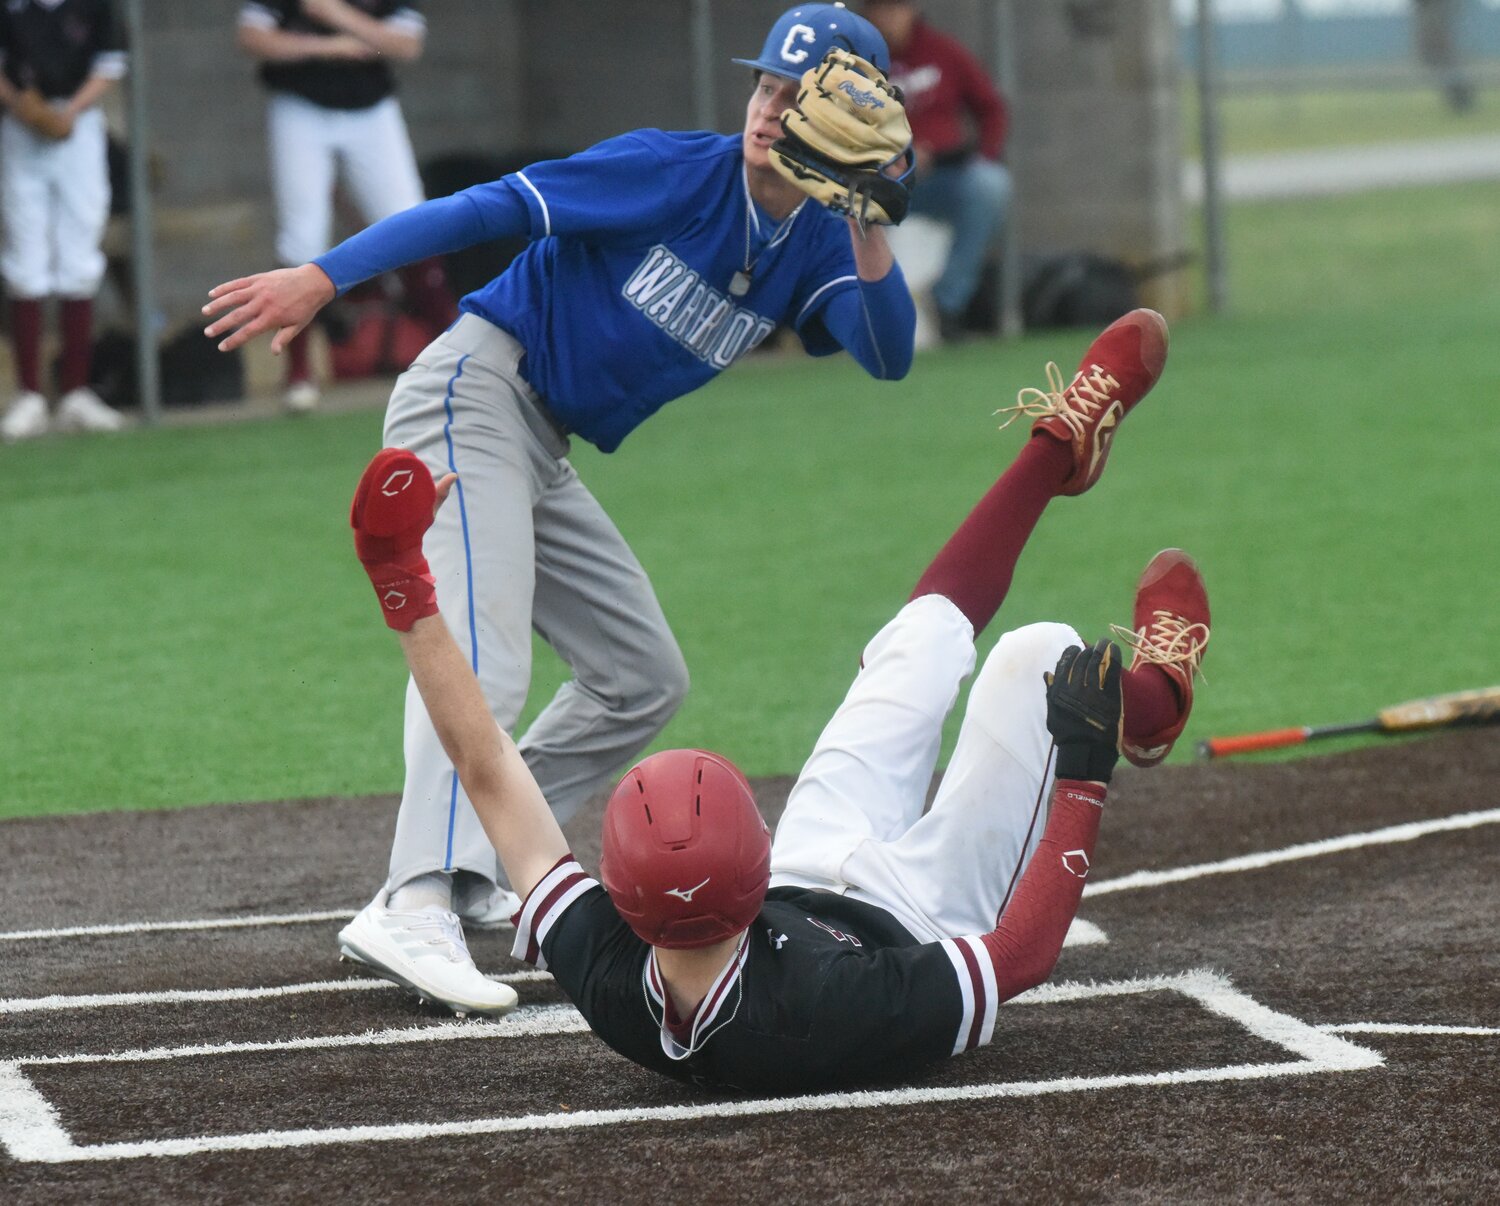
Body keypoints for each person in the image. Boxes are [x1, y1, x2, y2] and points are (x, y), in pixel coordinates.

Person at [205, 3, 918, 1017]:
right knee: (485, 656)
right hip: (474, 390)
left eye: (798, 97)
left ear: (850, 125)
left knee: (641, 677)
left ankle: (486, 844)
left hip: (541, 444)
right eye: (764, 85)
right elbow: (486, 209)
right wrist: (325, 275)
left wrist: (869, 217)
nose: (769, 109)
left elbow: (887, 353)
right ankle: (414, 899)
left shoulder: (810, 243)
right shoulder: (674, 170)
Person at [342, 307, 1212, 1090]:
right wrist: (1086, 776)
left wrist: (403, 585)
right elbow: (1018, 956)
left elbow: (489, 766)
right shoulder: (826, 1007)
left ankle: (1059, 450)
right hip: (925, 910)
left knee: (916, 644)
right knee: (1040, 657)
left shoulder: (614, 973)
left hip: (814, 872)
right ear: (755, 861)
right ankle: (1156, 700)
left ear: (628, 904)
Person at [236, 0, 456, 413]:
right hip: (299, 104)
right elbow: (252, 37)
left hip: (371, 107)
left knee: (413, 223)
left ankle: (455, 348)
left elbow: (406, 45)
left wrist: (334, 15)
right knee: (302, 236)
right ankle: (298, 373)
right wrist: (327, 47)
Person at [0, 0, 127, 443]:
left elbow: (111, 65)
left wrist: (69, 112)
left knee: (79, 250)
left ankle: (76, 391)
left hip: (79, 125)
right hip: (21, 124)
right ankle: (30, 394)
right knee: (25, 256)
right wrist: (20, 104)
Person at [859, 0, 1011, 342]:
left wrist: (981, 155)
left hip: (938, 178)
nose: (889, 17)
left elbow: (992, 109)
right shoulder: (854, 64)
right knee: (826, 200)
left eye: (896, 7)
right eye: (880, 9)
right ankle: (848, 310)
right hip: (876, 183)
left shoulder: (943, 51)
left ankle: (949, 302)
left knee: (990, 184)